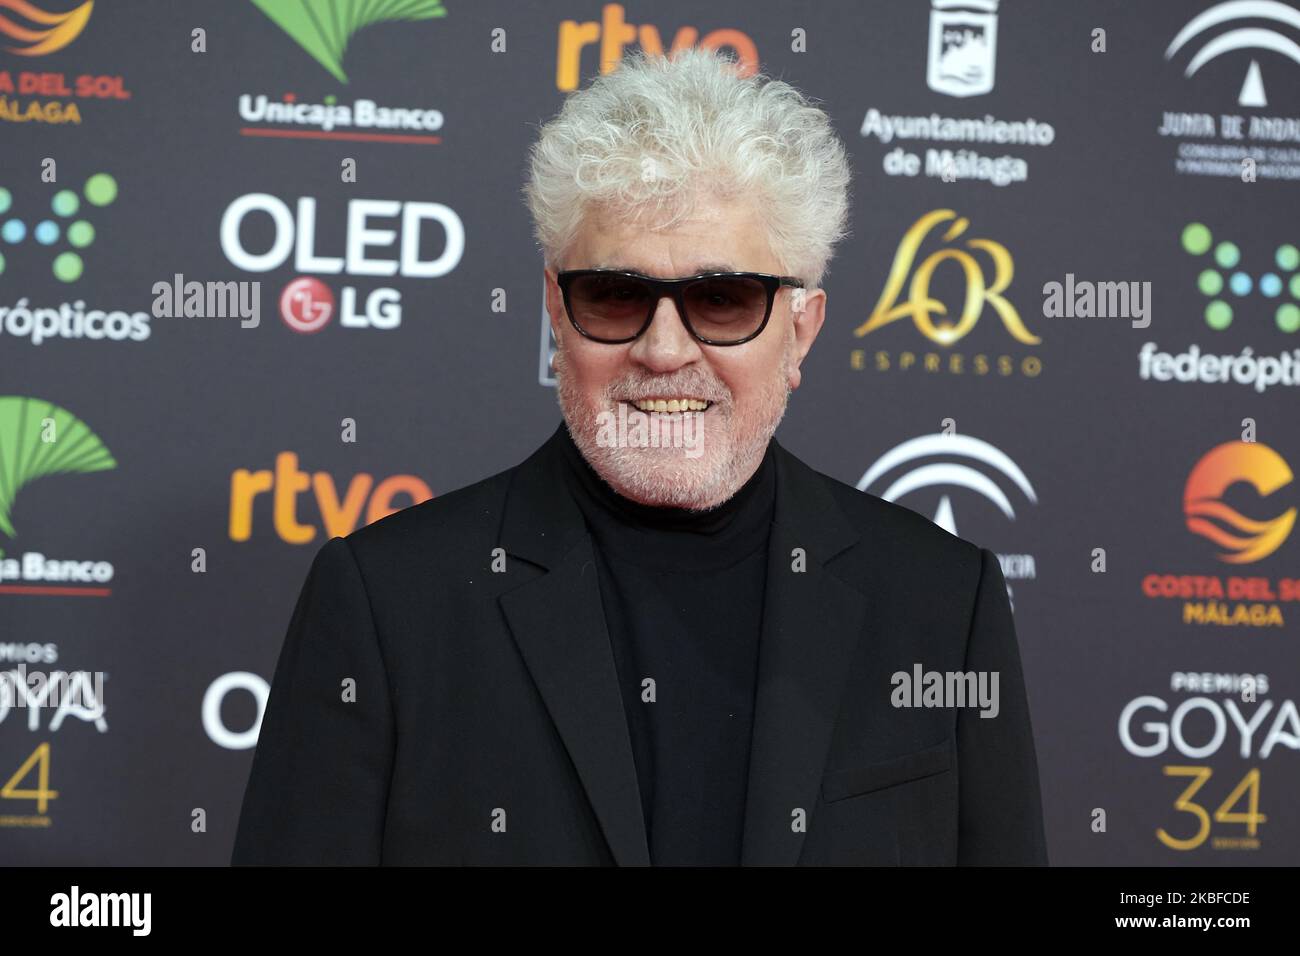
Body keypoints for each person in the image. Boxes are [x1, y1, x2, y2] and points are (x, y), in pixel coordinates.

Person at [231, 47, 1047, 866]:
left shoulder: (942, 603)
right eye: (616, 294)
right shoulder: (389, 604)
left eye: (721, 300)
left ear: (801, 330)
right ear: (557, 311)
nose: (663, 351)